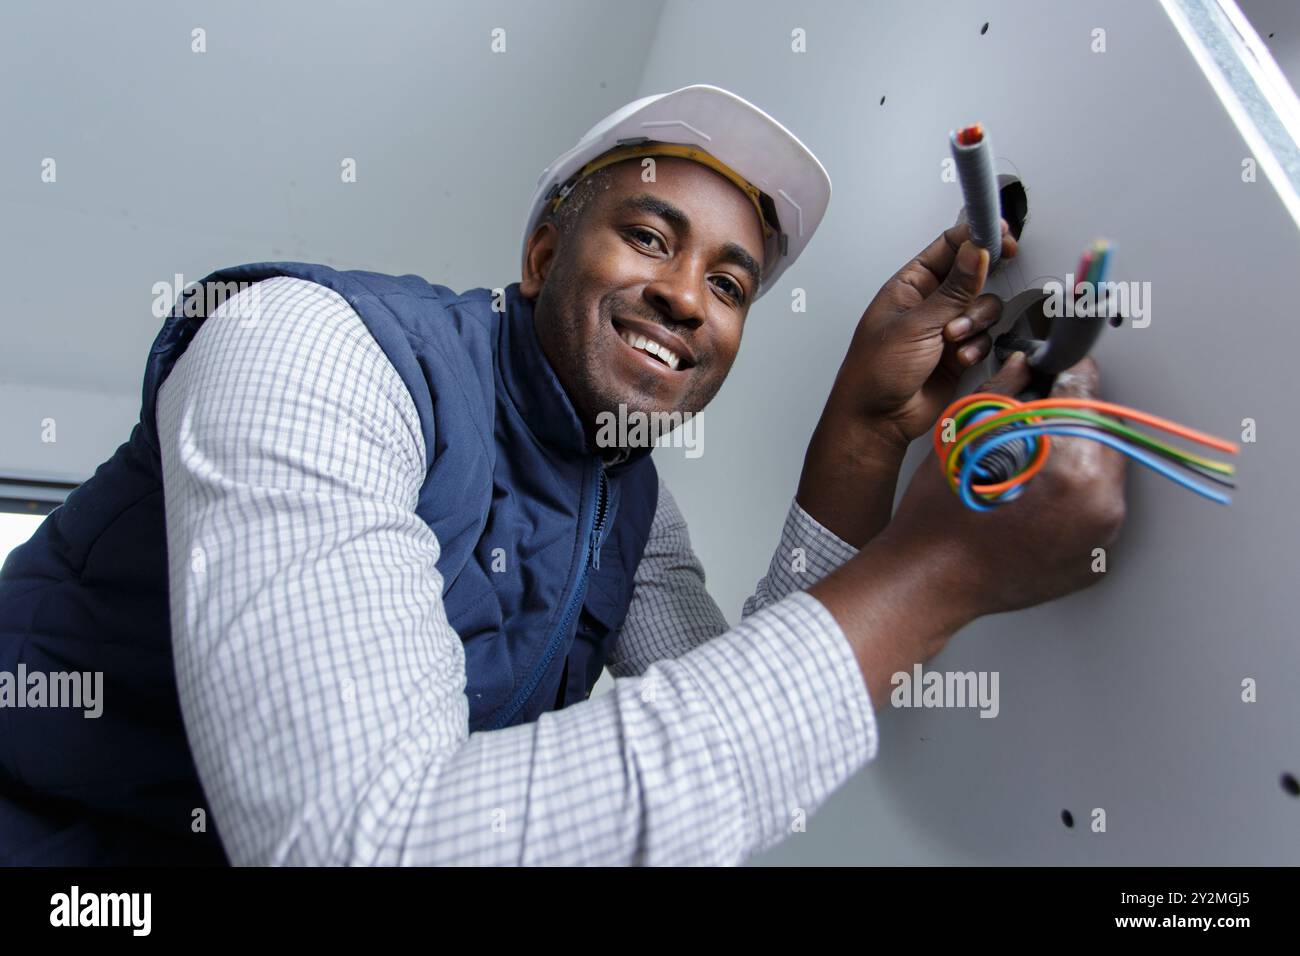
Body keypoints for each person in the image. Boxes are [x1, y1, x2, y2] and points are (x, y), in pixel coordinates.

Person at [0, 84, 1125, 865]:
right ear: (543, 254)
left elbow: (730, 708)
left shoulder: (628, 504)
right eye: (651, 237)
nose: (686, 297)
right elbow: (355, 848)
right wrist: (938, 572)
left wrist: (863, 436)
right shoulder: (309, 347)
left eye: (730, 285)